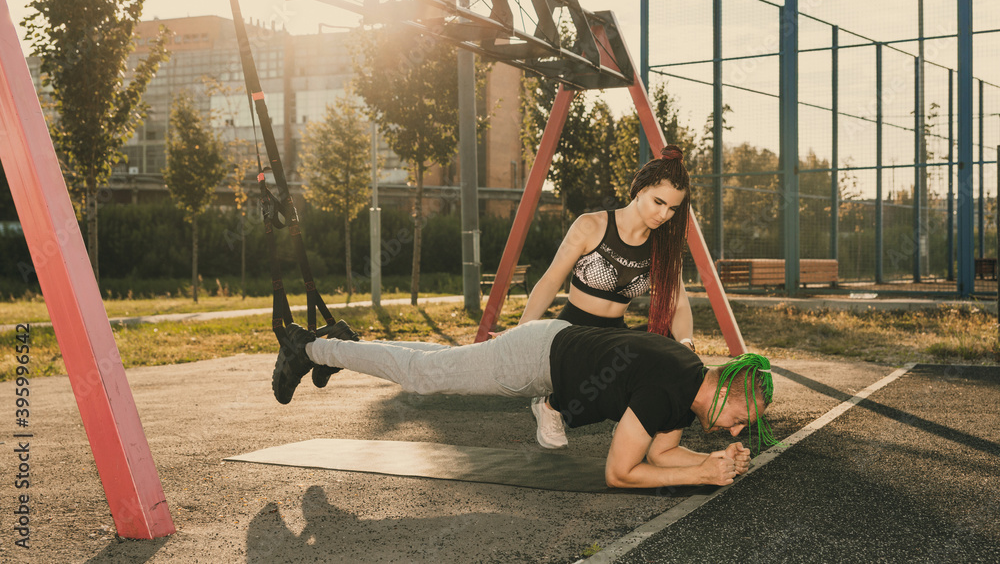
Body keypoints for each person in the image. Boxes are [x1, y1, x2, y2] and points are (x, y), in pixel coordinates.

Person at [272, 319, 781, 489]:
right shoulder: (663, 389)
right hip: (534, 359)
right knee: (426, 379)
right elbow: (621, 472)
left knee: (441, 365)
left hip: (545, 358)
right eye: (739, 422)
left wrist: (713, 463)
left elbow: (660, 457)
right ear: (722, 393)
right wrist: (701, 474)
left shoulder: (686, 389)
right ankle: (309, 347)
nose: (736, 432)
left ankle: (341, 345)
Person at [517, 145, 695, 448]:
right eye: (658, 202)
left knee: (663, 356)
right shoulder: (591, 225)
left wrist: (686, 342)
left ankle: (631, 426)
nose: (664, 214)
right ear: (639, 190)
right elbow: (549, 281)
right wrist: (521, 332)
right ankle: (548, 405)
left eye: (672, 209)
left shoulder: (662, 247)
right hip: (573, 330)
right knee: (594, 389)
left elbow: (677, 301)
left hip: (615, 332)